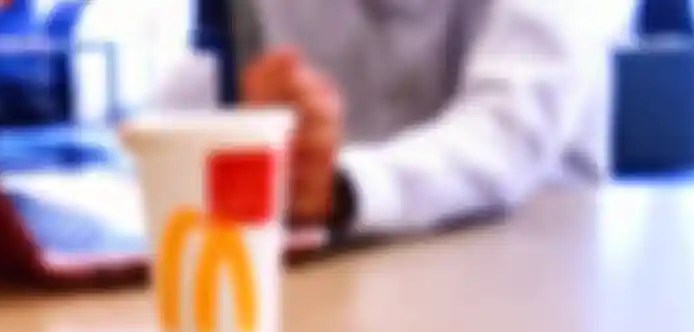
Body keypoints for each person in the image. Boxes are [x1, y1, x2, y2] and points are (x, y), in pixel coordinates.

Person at [158, 0, 639, 236]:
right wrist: (261, 131)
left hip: (524, 289)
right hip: (332, 283)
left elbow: (506, 132)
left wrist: (338, 186)